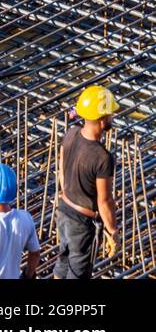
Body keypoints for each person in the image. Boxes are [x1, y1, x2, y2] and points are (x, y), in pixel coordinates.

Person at [55, 85, 120, 278]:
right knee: (78, 271)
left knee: (63, 261)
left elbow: (61, 169)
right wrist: (113, 231)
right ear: (101, 120)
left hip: (63, 210)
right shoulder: (103, 158)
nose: (112, 118)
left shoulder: (71, 134)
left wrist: (67, 193)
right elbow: (104, 201)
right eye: (110, 115)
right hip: (82, 224)